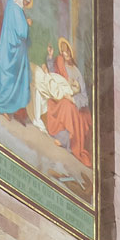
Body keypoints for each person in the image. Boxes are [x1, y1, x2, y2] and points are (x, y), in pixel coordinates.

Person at [40, 36, 92, 165]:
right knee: (61, 104)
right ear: (61, 53)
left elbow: (84, 97)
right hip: (60, 95)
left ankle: (66, 140)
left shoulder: (77, 73)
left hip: (74, 102)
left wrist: (73, 99)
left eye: (68, 50)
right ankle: (62, 136)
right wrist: (50, 58)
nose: (66, 53)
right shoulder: (59, 62)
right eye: (63, 51)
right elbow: (54, 75)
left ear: (71, 52)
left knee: (68, 106)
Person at [0, 0, 33, 119]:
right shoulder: (16, 8)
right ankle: (3, 106)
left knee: (11, 77)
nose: (25, 5)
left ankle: (11, 109)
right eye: (25, 2)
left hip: (11, 47)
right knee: (11, 78)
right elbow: (22, 32)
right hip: (14, 50)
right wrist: (27, 23)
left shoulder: (11, 4)